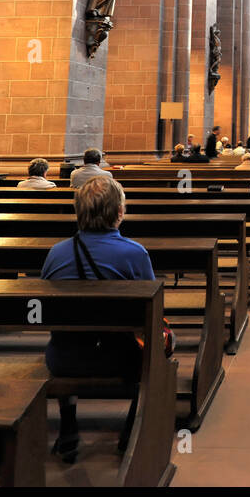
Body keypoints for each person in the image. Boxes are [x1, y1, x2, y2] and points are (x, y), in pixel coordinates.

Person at [41, 176, 156, 463]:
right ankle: (132, 428)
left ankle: (68, 425)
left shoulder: (56, 253)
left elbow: (42, 305)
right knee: (160, 347)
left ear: (79, 211)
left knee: (67, 337)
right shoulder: (134, 254)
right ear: (119, 212)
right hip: (119, 359)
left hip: (62, 358)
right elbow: (151, 313)